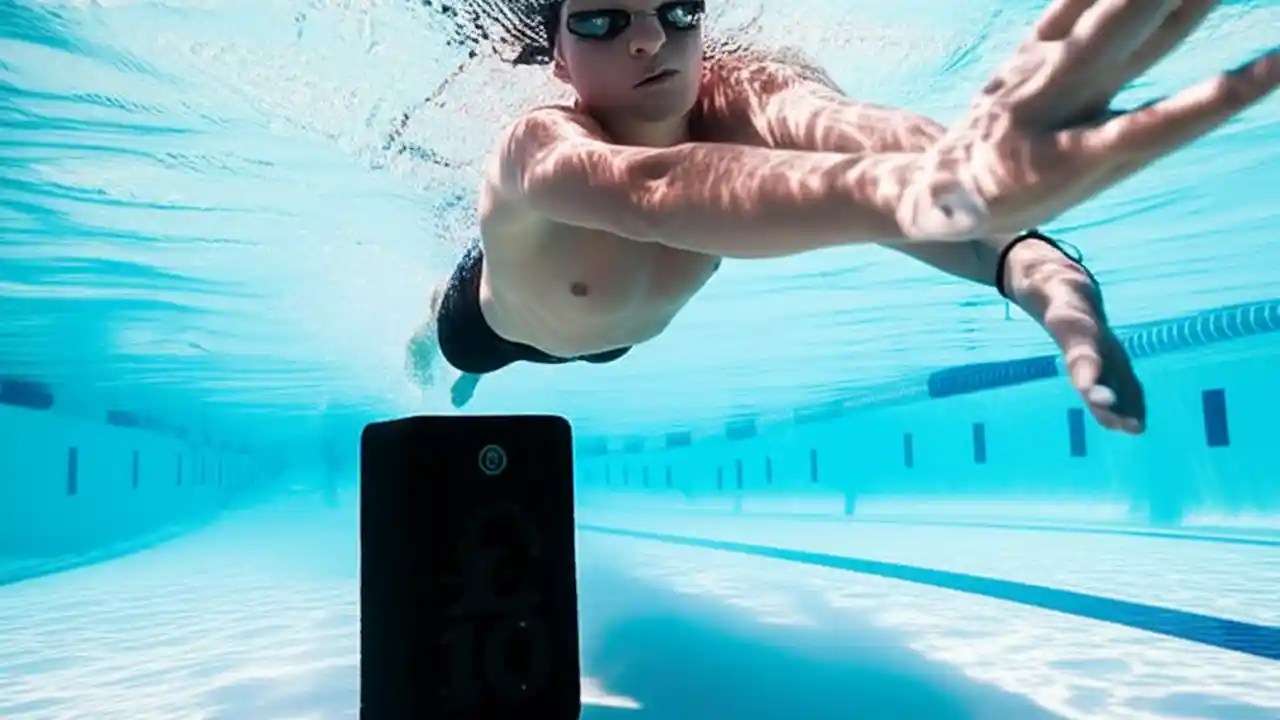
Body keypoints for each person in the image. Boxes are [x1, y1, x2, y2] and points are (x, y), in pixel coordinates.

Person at [407, 0, 1277, 430]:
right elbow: (655, 192)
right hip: (494, 317)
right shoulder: (537, 144)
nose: (649, 41)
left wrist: (1044, 276)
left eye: (677, 11)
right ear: (555, 58)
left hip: (614, 332)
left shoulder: (748, 91)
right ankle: (439, 363)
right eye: (601, 20)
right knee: (451, 353)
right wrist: (946, 190)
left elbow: (866, 143)